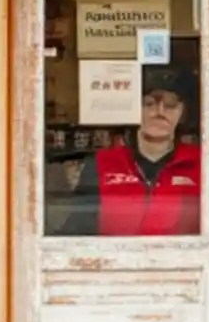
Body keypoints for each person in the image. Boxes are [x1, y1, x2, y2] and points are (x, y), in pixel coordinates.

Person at [62, 66, 200, 236]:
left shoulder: (202, 164)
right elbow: (76, 231)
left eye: (170, 105)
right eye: (149, 103)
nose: (159, 112)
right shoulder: (102, 164)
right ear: (134, 110)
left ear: (183, 113)